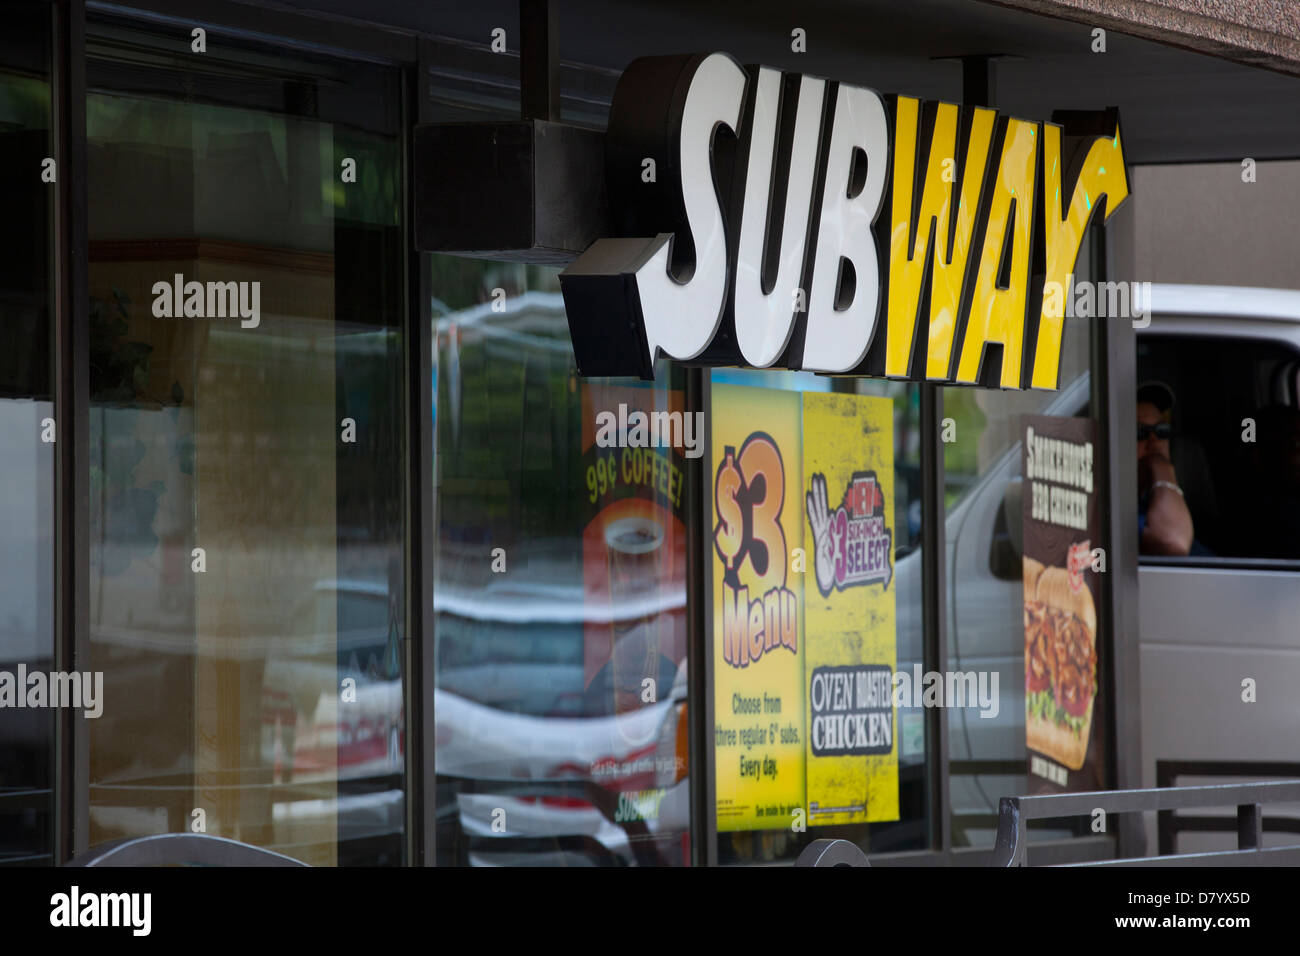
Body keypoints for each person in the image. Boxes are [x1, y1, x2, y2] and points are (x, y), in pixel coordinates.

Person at [1136, 381, 1207, 556]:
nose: (1155, 441)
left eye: (1162, 430)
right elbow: (1172, 543)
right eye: (1139, 432)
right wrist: (1162, 469)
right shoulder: (1114, 509)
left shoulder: (1151, 500)